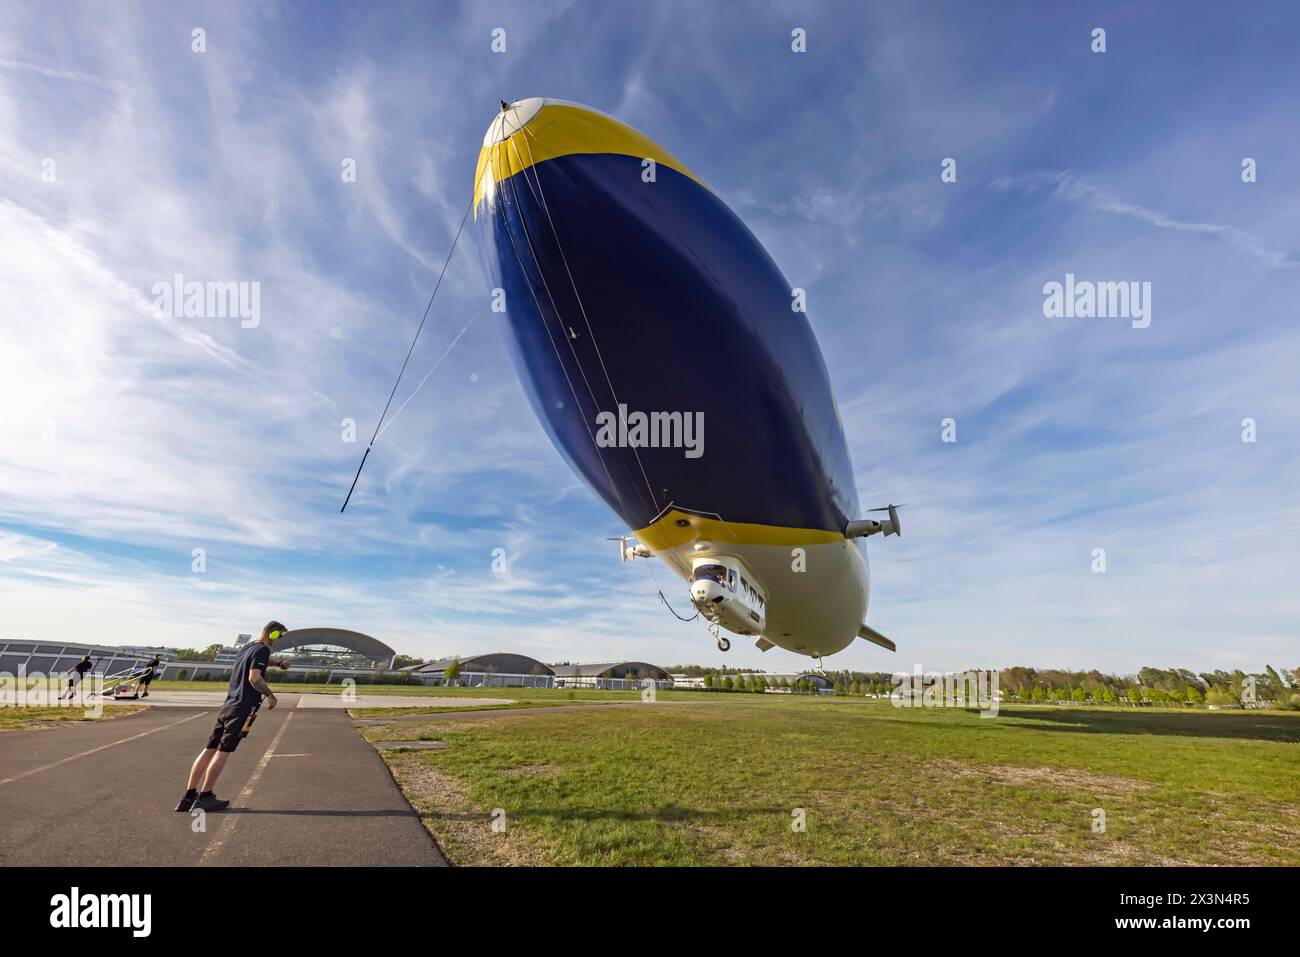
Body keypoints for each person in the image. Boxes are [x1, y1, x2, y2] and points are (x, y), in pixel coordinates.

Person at [175, 622, 291, 812]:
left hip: (228, 706)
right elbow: (254, 678)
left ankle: (188, 796)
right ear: (274, 633)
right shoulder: (262, 650)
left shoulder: (248, 648)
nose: (278, 641)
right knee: (223, 751)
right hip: (242, 708)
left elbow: (259, 660)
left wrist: (278, 663)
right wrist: (270, 695)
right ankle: (205, 797)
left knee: (209, 749)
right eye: (279, 637)